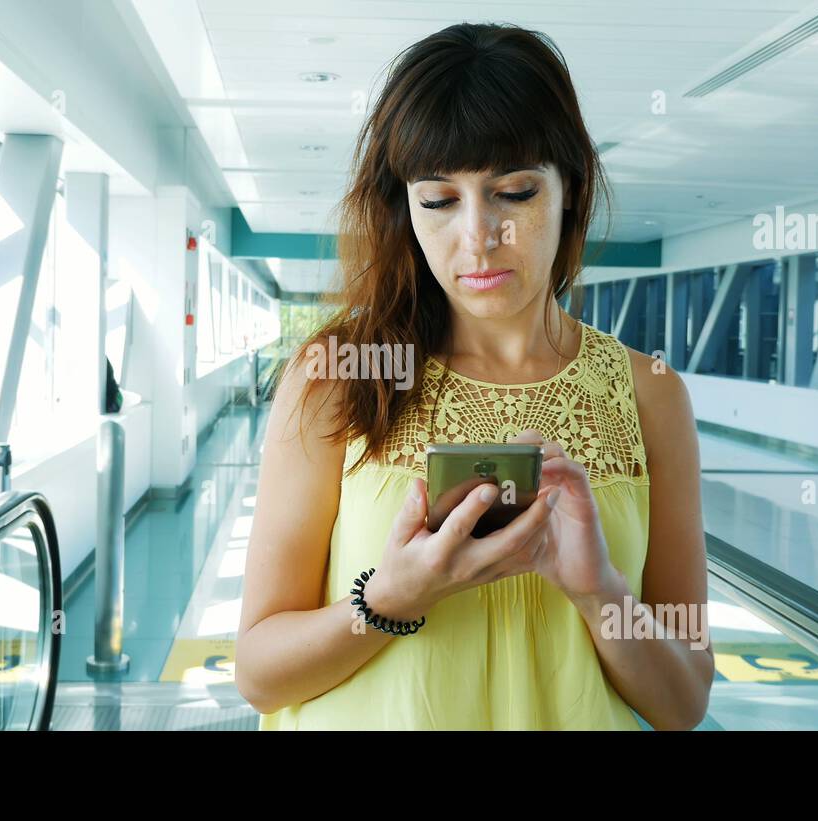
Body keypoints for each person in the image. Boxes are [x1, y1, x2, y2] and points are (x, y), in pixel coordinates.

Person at [236, 22, 713, 730]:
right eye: (439, 200)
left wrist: (599, 592)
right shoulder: (336, 378)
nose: (478, 237)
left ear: (571, 190)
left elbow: (683, 703)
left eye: (515, 193)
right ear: (406, 207)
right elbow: (258, 673)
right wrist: (389, 600)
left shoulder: (651, 394)